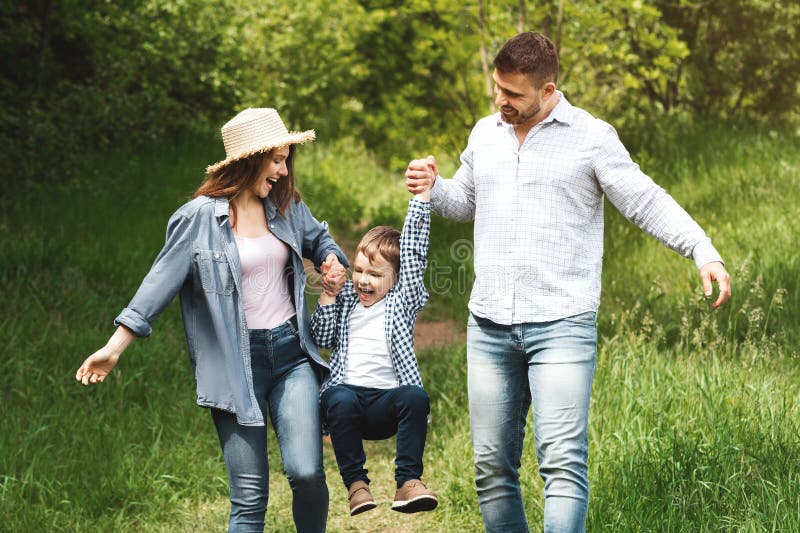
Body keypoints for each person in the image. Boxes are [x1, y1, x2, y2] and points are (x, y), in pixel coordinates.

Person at [405, 32, 731, 533]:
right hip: (490, 325)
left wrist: (700, 249)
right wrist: (434, 188)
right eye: (498, 88)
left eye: (513, 94)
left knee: (561, 465)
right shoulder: (484, 134)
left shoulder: (591, 138)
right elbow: (465, 203)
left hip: (561, 323)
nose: (501, 101)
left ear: (548, 89)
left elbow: (645, 200)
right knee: (492, 469)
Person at [75, 108, 349, 533]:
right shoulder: (198, 219)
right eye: (275, 159)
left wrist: (331, 258)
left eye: (285, 158)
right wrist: (114, 348)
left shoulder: (286, 205)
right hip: (234, 366)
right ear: (249, 159)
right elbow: (157, 285)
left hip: (293, 355)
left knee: (308, 472)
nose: (282, 168)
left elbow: (320, 239)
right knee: (249, 496)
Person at [309, 184, 439, 517]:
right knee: (336, 397)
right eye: (360, 271)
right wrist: (328, 295)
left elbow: (414, 253)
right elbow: (322, 337)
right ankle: (356, 485)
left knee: (415, 397)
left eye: (376, 275)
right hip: (349, 403)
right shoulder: (347, 301)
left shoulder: (401, 301)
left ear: (397, 279)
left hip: (387, 404)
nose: (364, 281)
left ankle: (408, 481)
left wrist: (421, 200)